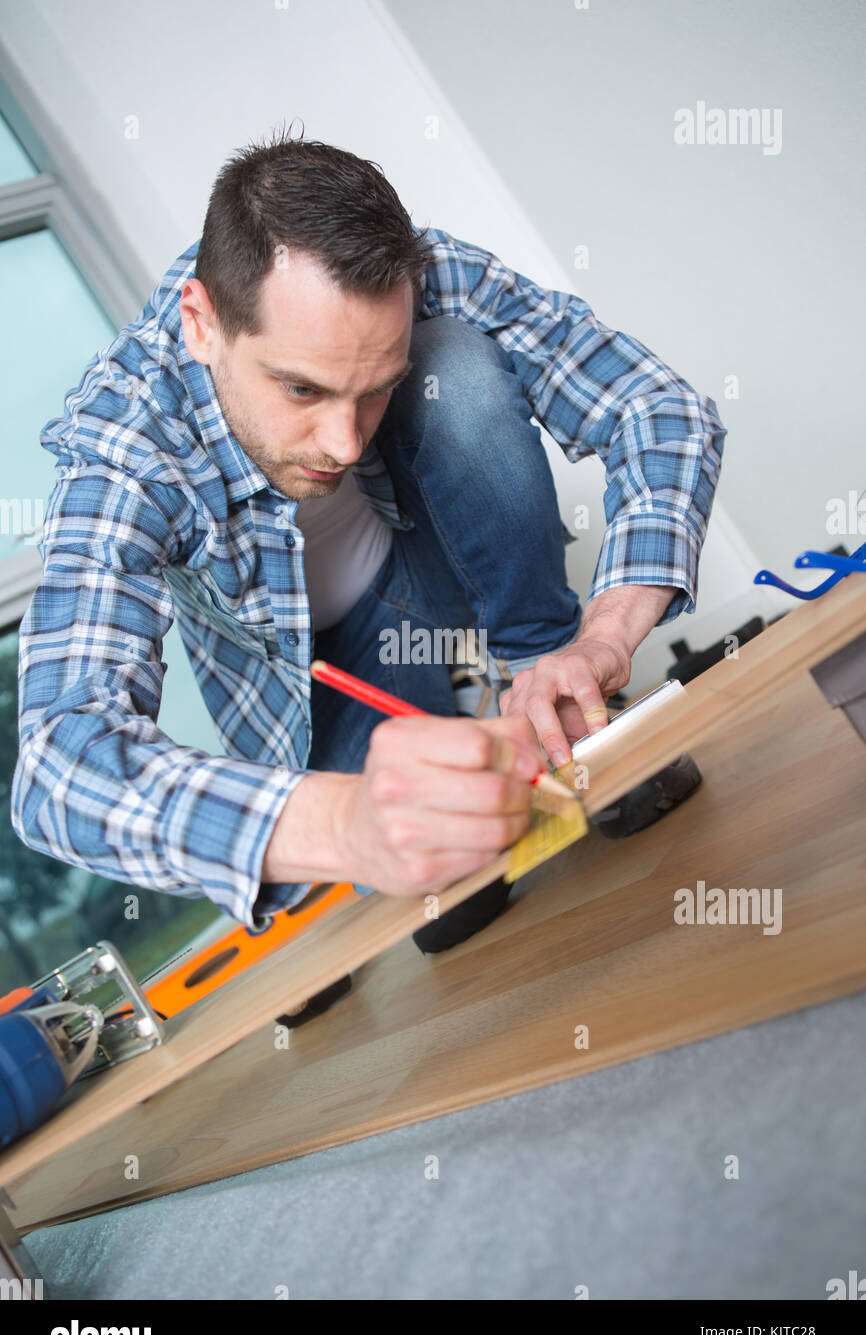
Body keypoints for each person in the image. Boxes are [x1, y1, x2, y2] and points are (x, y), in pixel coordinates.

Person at [12, 133, 726, 1019]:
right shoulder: (128, 444)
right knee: (457, 878)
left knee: (453, 368)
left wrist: (605, 637)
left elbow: (657, 408)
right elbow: (57, 759)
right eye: (303, 391)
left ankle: (568, 717)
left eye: (373, 389)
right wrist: (342, 827)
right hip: (328, 682)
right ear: (201, 323)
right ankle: (484, 818)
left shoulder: (421, 275)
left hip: (443, 572)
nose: (344, 445)